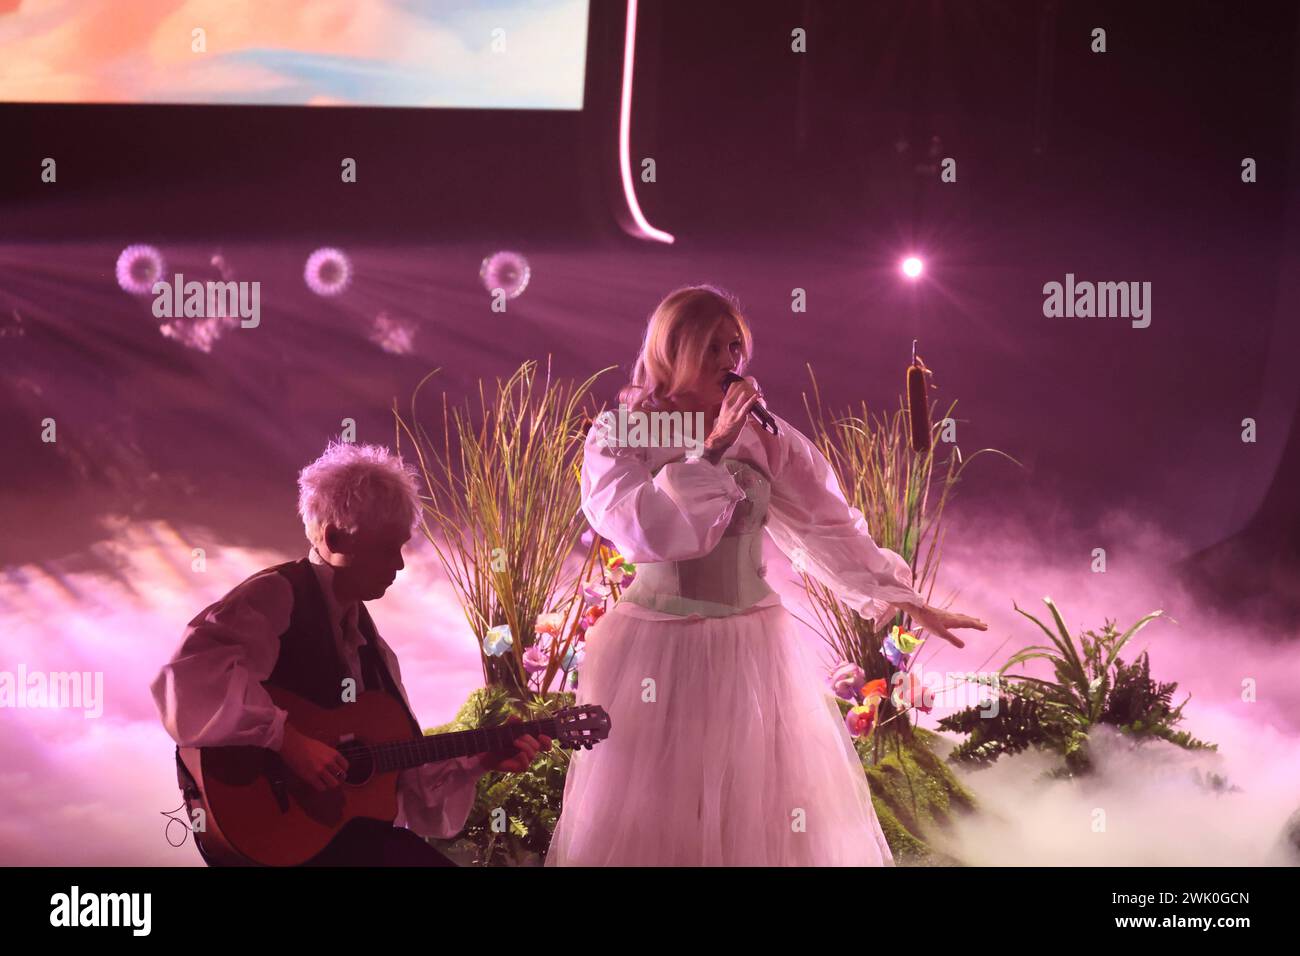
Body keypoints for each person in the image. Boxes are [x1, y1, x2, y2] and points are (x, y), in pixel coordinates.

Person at [546, 285, 987, 866]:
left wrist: (905, 597)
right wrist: (710, 449)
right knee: (661, 805)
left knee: (757, 805)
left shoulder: (766, 433)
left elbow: (829, 525)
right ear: (672, 349)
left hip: (751, 642)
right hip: (656, 645)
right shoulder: (624, 431)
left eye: (736, 348)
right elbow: (641, 530)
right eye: (712, 349)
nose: (731, 363)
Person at [151, 440, 549, 866]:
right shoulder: (274, 596)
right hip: (280, 840)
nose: (398, 565)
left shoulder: (371, 647)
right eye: (386, 548)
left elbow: (403, 787)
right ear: (335, 537)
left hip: (338, 840)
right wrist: (287, 740)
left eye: (402, 547)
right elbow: (187, 682)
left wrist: (480, 760)